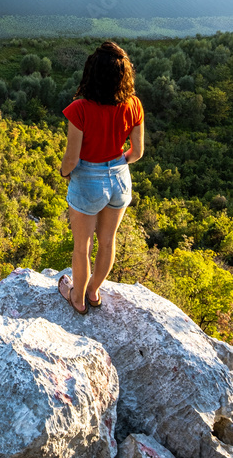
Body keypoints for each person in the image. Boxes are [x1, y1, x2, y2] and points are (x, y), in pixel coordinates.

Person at [58, 40, 144, 314]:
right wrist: (118, 163)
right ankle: (94, 292)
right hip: (119, 179)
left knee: (82, 246)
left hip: (88, 181)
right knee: (108, 241)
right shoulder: (133, 105)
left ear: (92, 72)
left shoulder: (79, 109)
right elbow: (138, 152)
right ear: (124, 75)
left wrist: (64, 173)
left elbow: (72, 159)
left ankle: (78, 299)